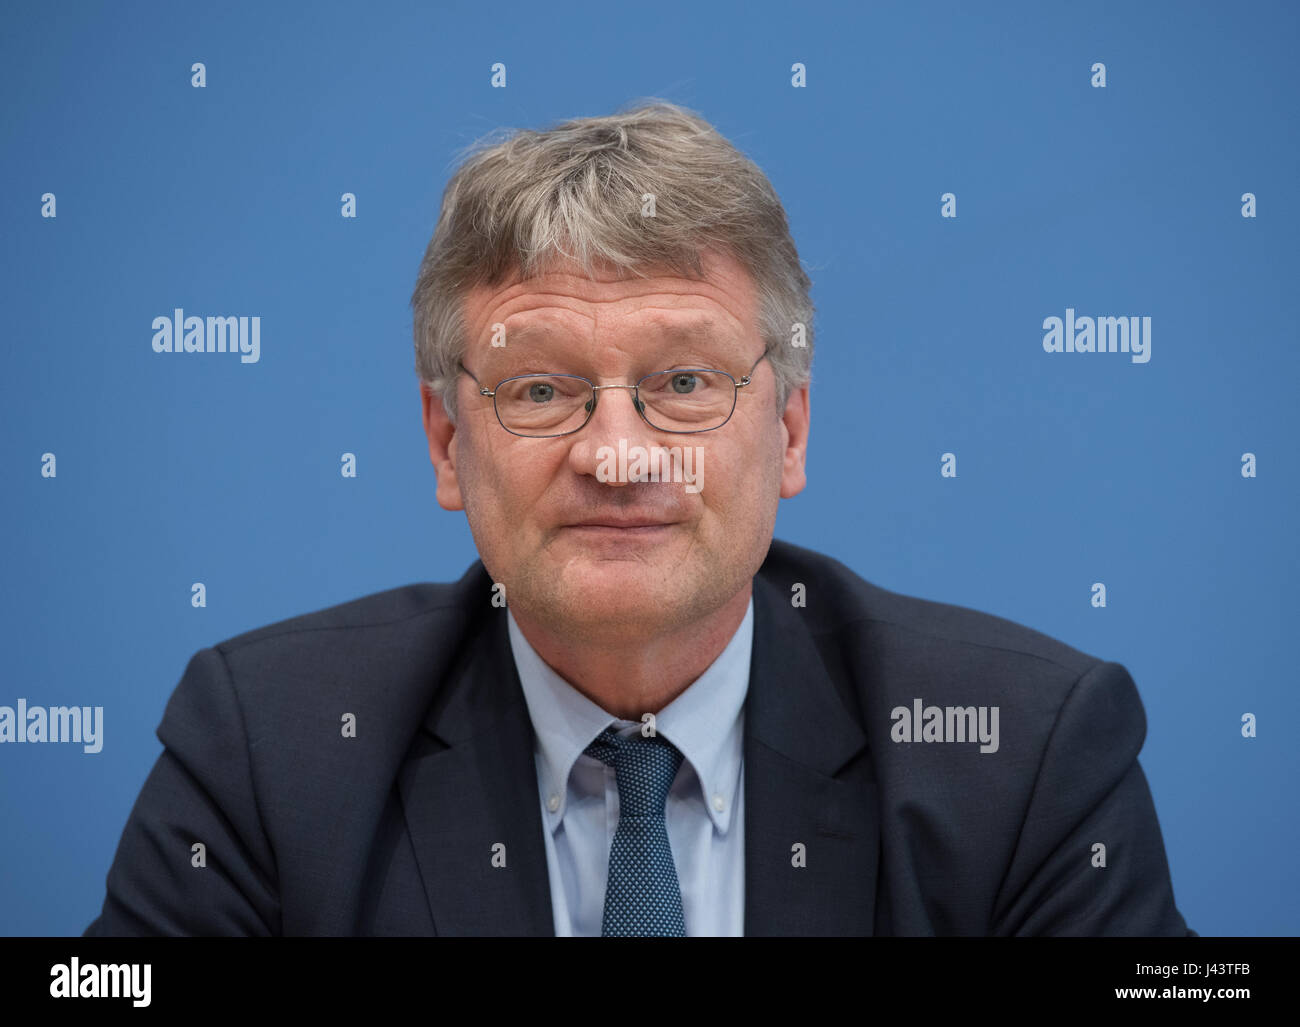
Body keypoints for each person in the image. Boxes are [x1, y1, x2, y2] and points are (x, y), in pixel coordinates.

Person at [84, 100, 1192, 936]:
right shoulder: (268, 751)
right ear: (443, 443)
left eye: (684, 384)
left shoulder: (1023, 754)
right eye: (539, 391)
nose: (615, 456)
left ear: (790, 432)